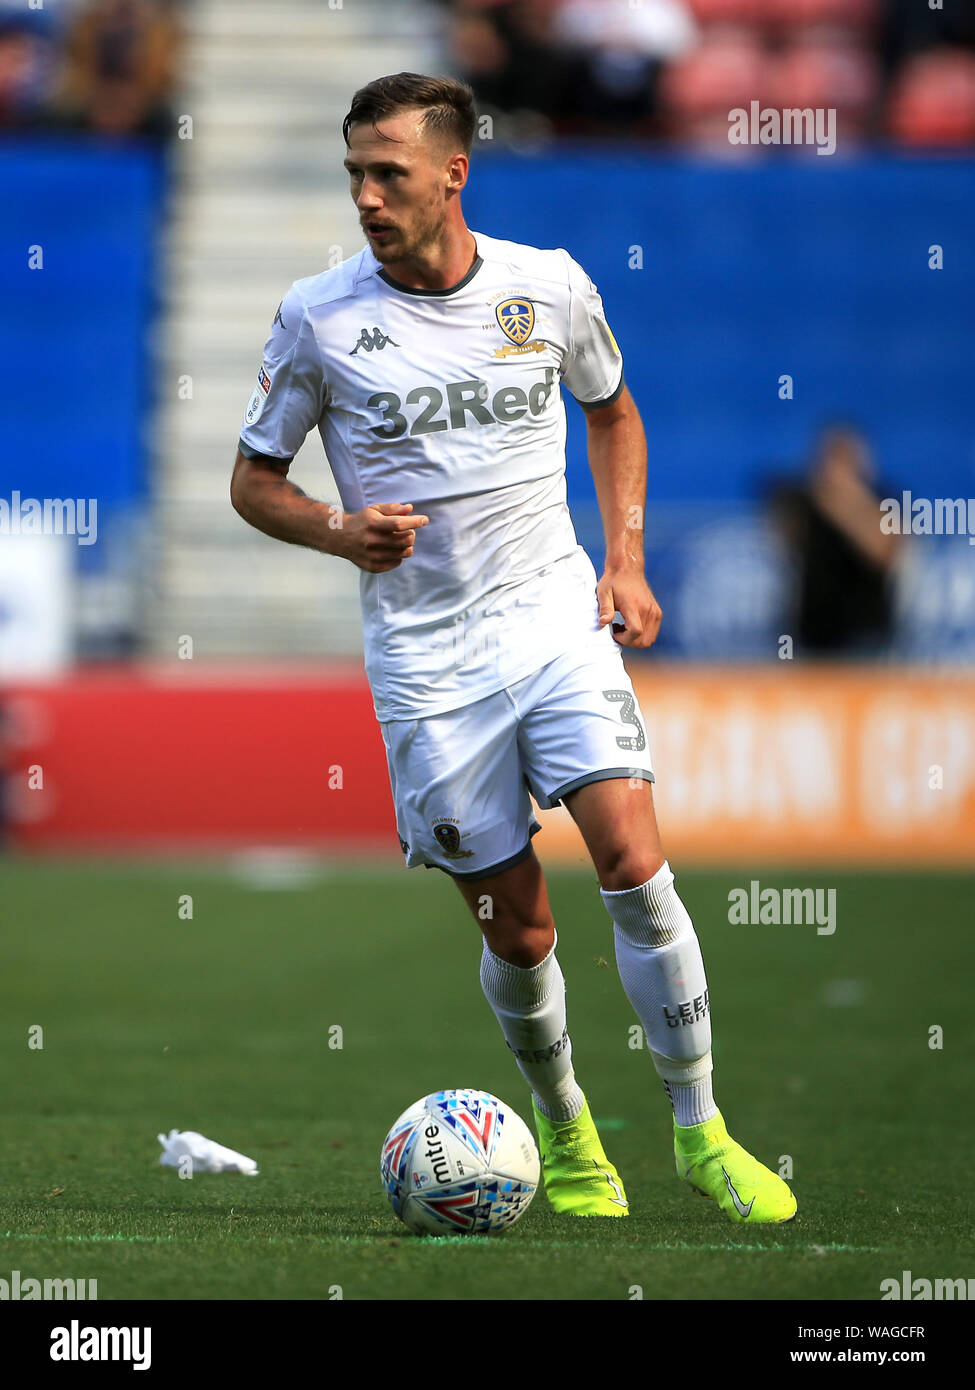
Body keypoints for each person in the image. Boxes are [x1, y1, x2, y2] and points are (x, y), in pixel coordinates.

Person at [231, 72, 796, 1225]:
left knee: (633, 857)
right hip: (428, 666)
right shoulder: (319, 319)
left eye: (389, 173)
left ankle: (701, 1129)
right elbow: (253, 480)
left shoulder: (548, 287)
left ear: (454, 173)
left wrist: (625, 559)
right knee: (521, 922)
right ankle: (570, 1129)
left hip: (551, 620)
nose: (367, 197)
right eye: (355, 174)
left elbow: (615, 411)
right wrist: (340, 530)